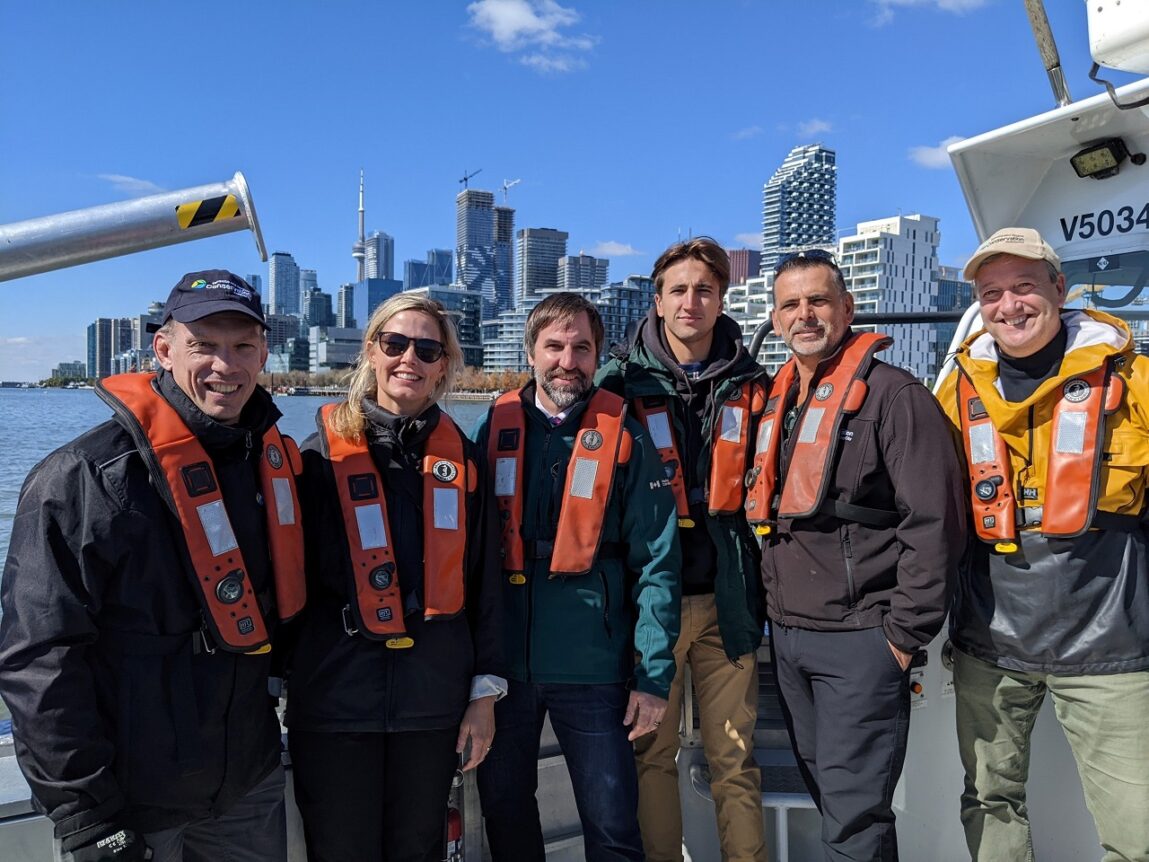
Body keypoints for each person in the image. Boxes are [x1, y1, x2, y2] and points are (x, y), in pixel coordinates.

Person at [0, 271, 302, 862]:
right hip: (130, 797)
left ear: (264, 353)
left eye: (243, 347)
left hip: (247, 780)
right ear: (162, 350)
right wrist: (83, 813)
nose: (226, 365)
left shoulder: (273, 466)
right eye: (204, 346)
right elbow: (39, 654)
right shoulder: (82, 477)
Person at [746, 250, 965, 861]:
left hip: (862, 639)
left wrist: (901, 635)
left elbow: (936, 522)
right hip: (788, 636)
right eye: (791, 304)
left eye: (819, 301)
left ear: (848, 308)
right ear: (776, 317)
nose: (805, 315)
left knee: (853, 816)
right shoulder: (778, 401)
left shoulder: (897, 399)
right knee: (833, 801)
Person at [938, 227, 1149, 862]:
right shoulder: (954, 392)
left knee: (1138, 829)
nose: (1010, 306)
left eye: (1025, 287)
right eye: (992, 293)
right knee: (989, 802)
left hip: (1114, 644)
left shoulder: (1135, 380)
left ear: (1060, 289)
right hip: (990, 640)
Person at [285, 294, 504, 862]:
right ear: (372, 352)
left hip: (432, 704)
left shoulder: (465, 464)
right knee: (340, 851)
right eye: (396, 343)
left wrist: (484, 697)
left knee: (419, 848)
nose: (410, 358)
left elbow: (486, 584)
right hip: (335, 703)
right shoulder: (318, 460)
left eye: (427, 349)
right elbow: (285, 581)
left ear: (444, 364)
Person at [473, 292, 682, 862]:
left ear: (598, 357)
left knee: (613, 826)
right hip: (504, 674)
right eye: (555, 346)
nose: (568, 361)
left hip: (596, 669)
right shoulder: (493, 429)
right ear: (531, 351)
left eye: (582, 348)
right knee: (506, 818)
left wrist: (653, 678)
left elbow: (658, 563)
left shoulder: (627, 438)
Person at [597, 238, 768, 862]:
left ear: (722, 299)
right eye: (678, 289)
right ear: (658, 300)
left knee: (736, 759)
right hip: (651, 607)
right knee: (650, 757)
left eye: (704, 289)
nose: (691, 302)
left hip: (730, 600)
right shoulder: (616, 385)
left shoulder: (756, 385)